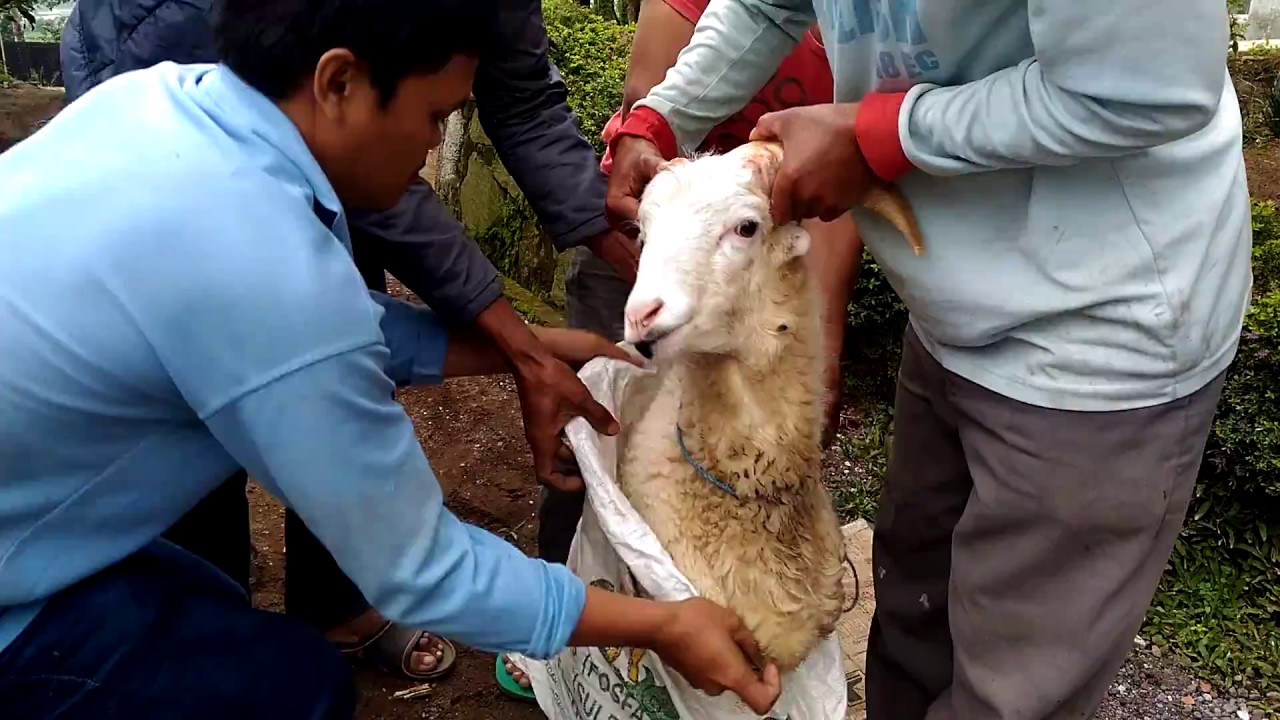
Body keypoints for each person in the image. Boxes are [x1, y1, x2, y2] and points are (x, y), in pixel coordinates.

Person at [0, 0, 785, 717]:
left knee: (203, 599)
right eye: (435, 114)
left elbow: (323, 330)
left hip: (30, 513)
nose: (434, 145)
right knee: (295, 686)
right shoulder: (266, 271)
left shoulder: (164, 100)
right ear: (338, 81)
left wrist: (527, 348)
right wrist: (664, 623)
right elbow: (422, 569)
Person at [606, 1, 1252, 719]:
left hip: (1098, 329)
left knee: (1010, 687)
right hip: (953, 303)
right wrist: (664, 114)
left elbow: (1149, 83)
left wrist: (883, 131)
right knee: (913, 611)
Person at [501, 0, 866, 694]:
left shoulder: (856, 34)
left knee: (748, 457)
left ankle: (715, 624)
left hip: (755, 272)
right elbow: (647, 104)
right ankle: (568, 623)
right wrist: (665, 219)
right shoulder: (701, 4)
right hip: (645, 255)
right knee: (591, 440)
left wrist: (826, 323)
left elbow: (836, 192)